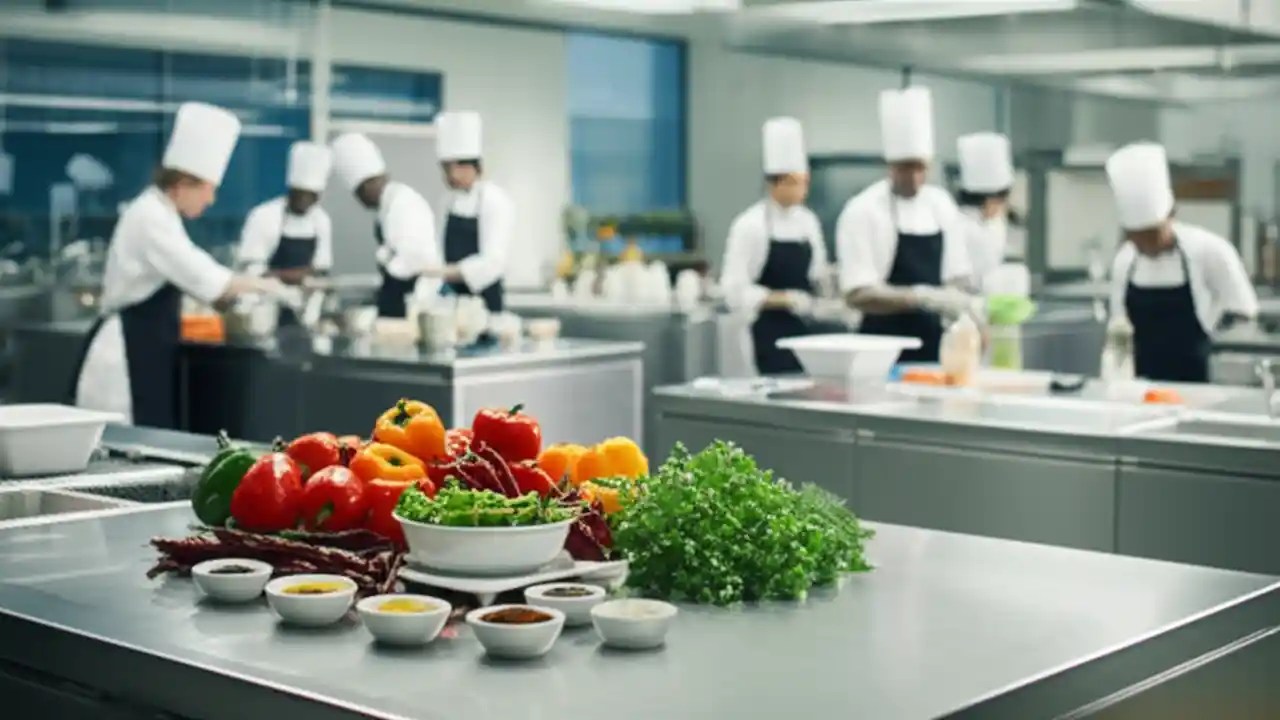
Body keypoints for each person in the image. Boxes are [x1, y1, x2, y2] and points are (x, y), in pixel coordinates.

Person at [72, 102, 283, 428]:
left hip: (145, 345)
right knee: (129, 449)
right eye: (209, 190)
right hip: (126, 354)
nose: (210, 200)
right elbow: (205, 276)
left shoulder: (160, 212)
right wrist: (268, 286)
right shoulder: (150, 216)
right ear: (184, 183)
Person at [837, 86, 974, 363]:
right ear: (890, 166)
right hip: (879, 350)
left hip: (935, 346)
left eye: (920, 168)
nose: (913, 178)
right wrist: (920, 297)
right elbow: (857, 294)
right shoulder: (863, 210)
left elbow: (957, 278)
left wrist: (963, 306)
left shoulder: (941, 205)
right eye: (905, 168)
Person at [1105, 142, 1258, 383]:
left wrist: (1230, 379)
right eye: (1136, 238)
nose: (1145, 245)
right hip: (1142, 389)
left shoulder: (1211, 250)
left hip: (1203, 385)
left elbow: (1244, 313)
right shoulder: (1125, 260)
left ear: (1171, 215)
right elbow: (1118, 329)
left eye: (1151, 235)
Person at [720, 117, 827, 375]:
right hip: (767, 335)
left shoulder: (808, 222)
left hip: (805, 333)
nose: (802, 190)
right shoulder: (750, 225)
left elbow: (818, 273)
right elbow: (734, 292)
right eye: (794, 182)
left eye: (804, 182)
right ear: (774, 184)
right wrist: (784, 299)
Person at [330, 132, 436, 318]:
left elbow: (412, 259)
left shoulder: (402, 203)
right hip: (400, 291)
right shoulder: (386, 206)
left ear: (367, 186)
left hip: (414, 297)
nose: (359, 202)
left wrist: (384, 261)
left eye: (358, 194)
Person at [236, 141, 332, 326]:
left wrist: (315, 284)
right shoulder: (263, 216)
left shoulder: (321, 220)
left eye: (312, 196)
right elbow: (251, 272)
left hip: (305, 312)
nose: (305, 202)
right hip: (264, 309)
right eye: (300, 194)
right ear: (290, 190)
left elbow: (321, 269)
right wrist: (288, 277)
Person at [432, 111, 513, 313]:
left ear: (469, 166)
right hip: (451, 300)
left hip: (484, 302)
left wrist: (449, 272)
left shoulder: (494, 199)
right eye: (444, 169)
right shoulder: (447, 201)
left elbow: (493, 261)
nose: (447, 176)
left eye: (449, 168)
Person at [955, 132, 1018, 292]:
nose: (1004, 207)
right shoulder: (961, 227)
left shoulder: (993, 223)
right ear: (990, 201)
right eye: (1002, 201)